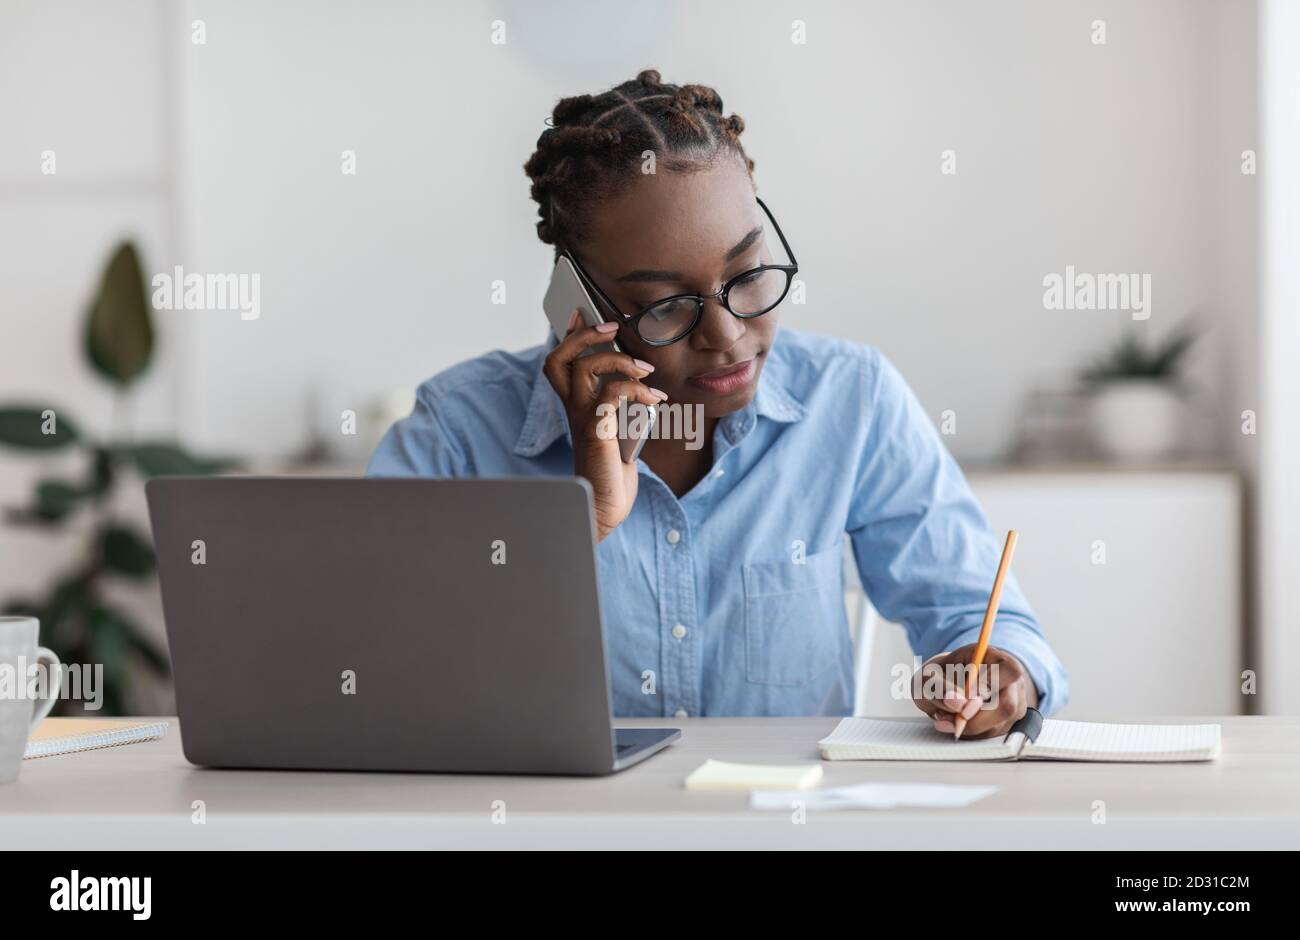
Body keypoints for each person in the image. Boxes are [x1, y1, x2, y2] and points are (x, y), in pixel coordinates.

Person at [368, 69, 1068, 735]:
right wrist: (580, 522)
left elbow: (976, 614)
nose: (727, 335)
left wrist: (996, 675)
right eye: (665, 304)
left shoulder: (850, 399)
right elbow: (375, 669)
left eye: (748, 272)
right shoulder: (460, 429)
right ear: (575, 307)